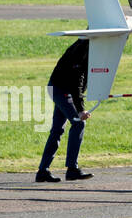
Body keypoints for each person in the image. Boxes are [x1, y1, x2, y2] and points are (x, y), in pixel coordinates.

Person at [36, 38, 94, 182]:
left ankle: (43, 171)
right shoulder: (83, 49)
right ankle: (72, 169)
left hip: (59, 88)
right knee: (78, 123)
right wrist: (80, 110)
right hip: (61, 89)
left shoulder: (84, 43)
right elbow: (77, 82)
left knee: (57, 130)